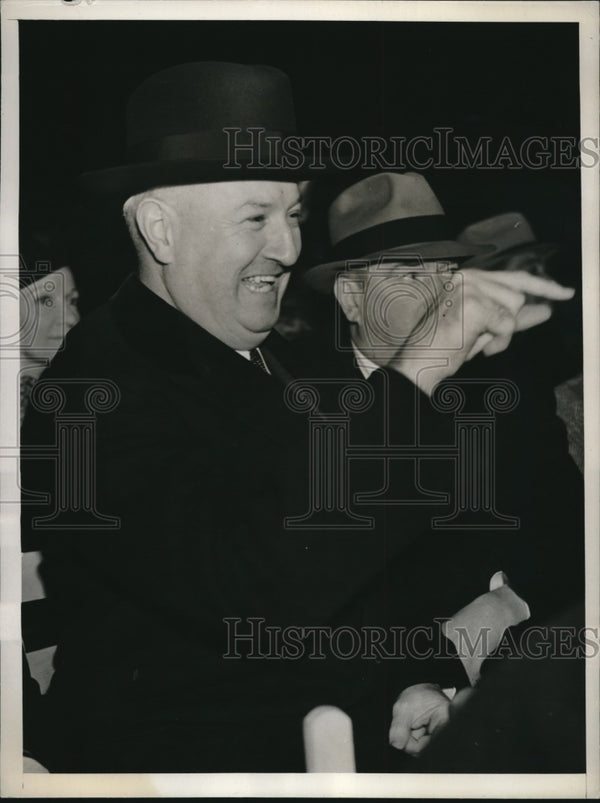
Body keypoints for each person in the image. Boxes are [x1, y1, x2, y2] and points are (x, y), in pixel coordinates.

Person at [20, 64, 581, 773]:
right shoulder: (93, 388)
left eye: (292, 215)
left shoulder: (263, 362)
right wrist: (422, 366)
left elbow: (354, 580)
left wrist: (409, 676)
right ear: (161, 230)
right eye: (256, 217)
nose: (288, 249)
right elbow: (257, 584)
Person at [303, 172, 585, 766]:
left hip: (515, 685)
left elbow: (571, 537)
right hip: (371, 709)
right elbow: (315, 599)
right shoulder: (302, 411)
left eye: (444, 271)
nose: (437, 293)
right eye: (408, 275)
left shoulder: (503, 385)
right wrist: (417, 673)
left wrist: (509, 604)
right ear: (350, 298)